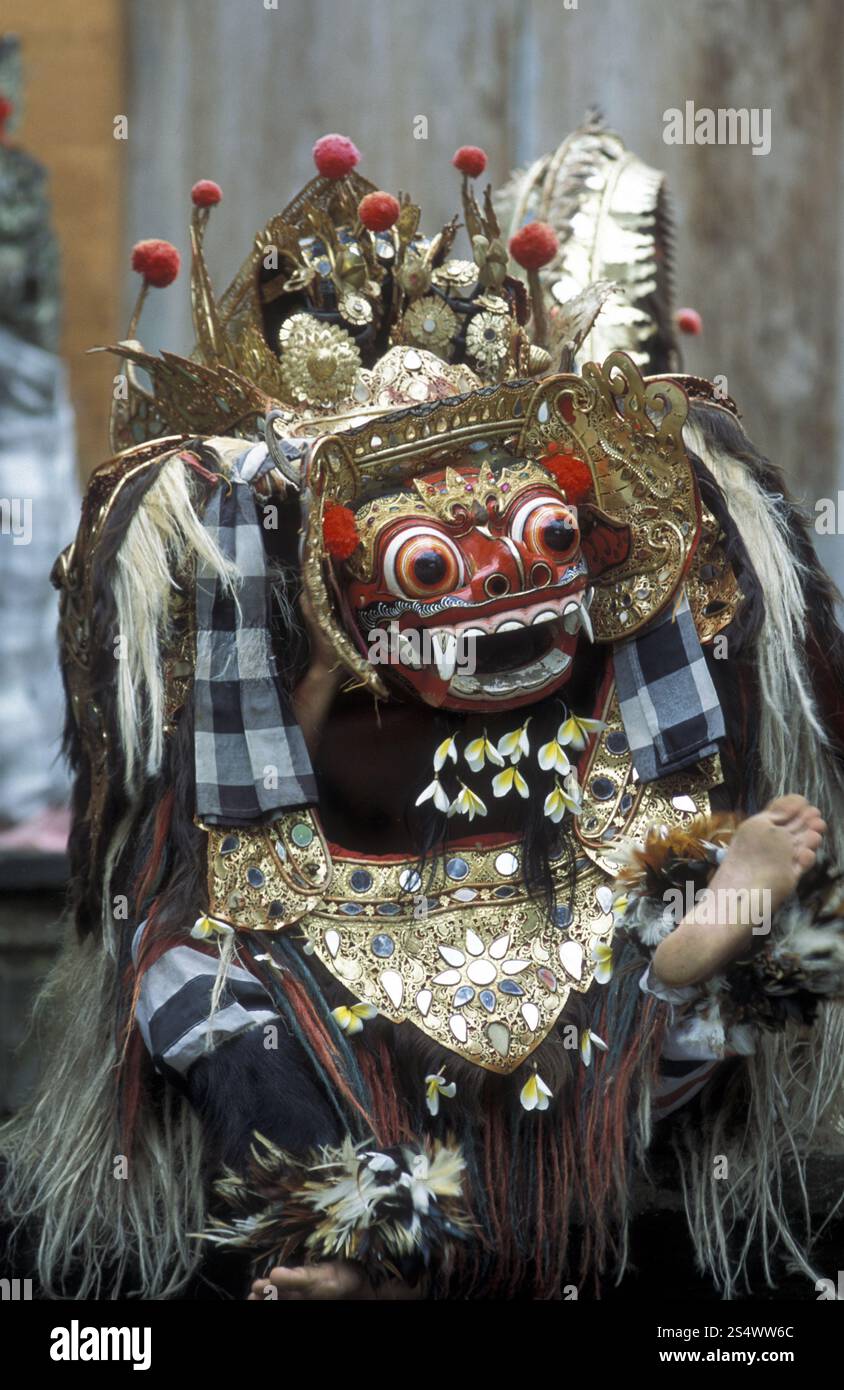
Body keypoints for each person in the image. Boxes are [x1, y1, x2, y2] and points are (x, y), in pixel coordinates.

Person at [3, 117, 843, 1302]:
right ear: (338, 571)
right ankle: (372, 1240)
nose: (497, 579)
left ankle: (659, 990)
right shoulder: (314, 672)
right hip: (354, 950)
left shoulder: (594, 648)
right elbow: (241, 830)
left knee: (715, 967)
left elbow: (661, 773)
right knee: (193, 984)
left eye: (541, 539)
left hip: (578, 934)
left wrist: (697, 894)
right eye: (432, 564)